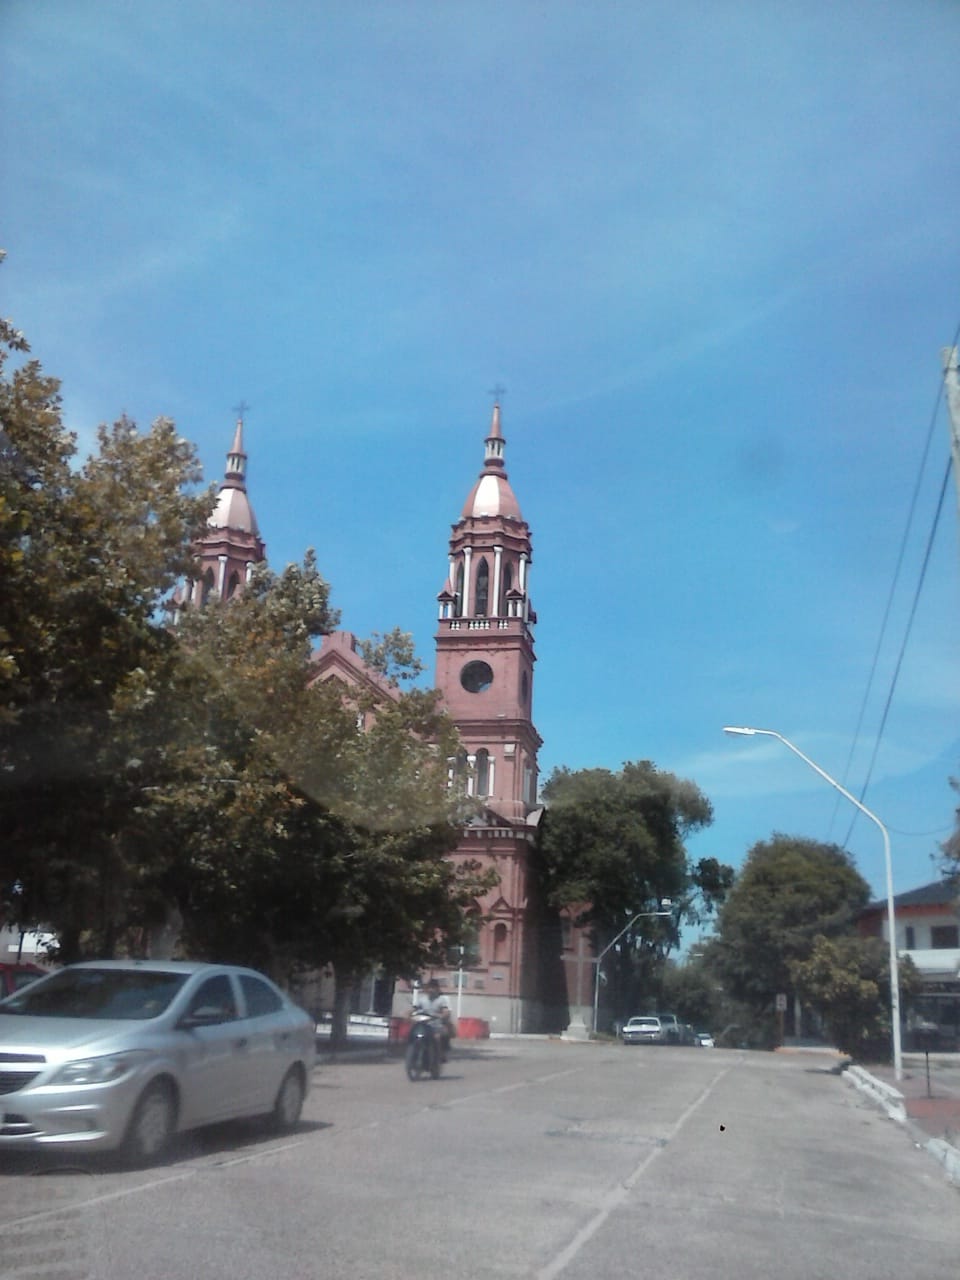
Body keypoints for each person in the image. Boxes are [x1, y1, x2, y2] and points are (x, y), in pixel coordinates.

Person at [413, 977, 454, 1059]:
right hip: (423, 1025)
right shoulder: (422, 999)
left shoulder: (442, 1000)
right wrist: (407, 1013)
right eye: (429, 987)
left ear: (437, 989)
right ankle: (413, 1054)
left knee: (438, 1038)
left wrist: (442, 1015)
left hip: (436, 1026)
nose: (431, 990)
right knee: (414, 1035)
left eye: (433, 988)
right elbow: (414, 1009)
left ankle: (439, 1055)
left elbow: (446, 1011)